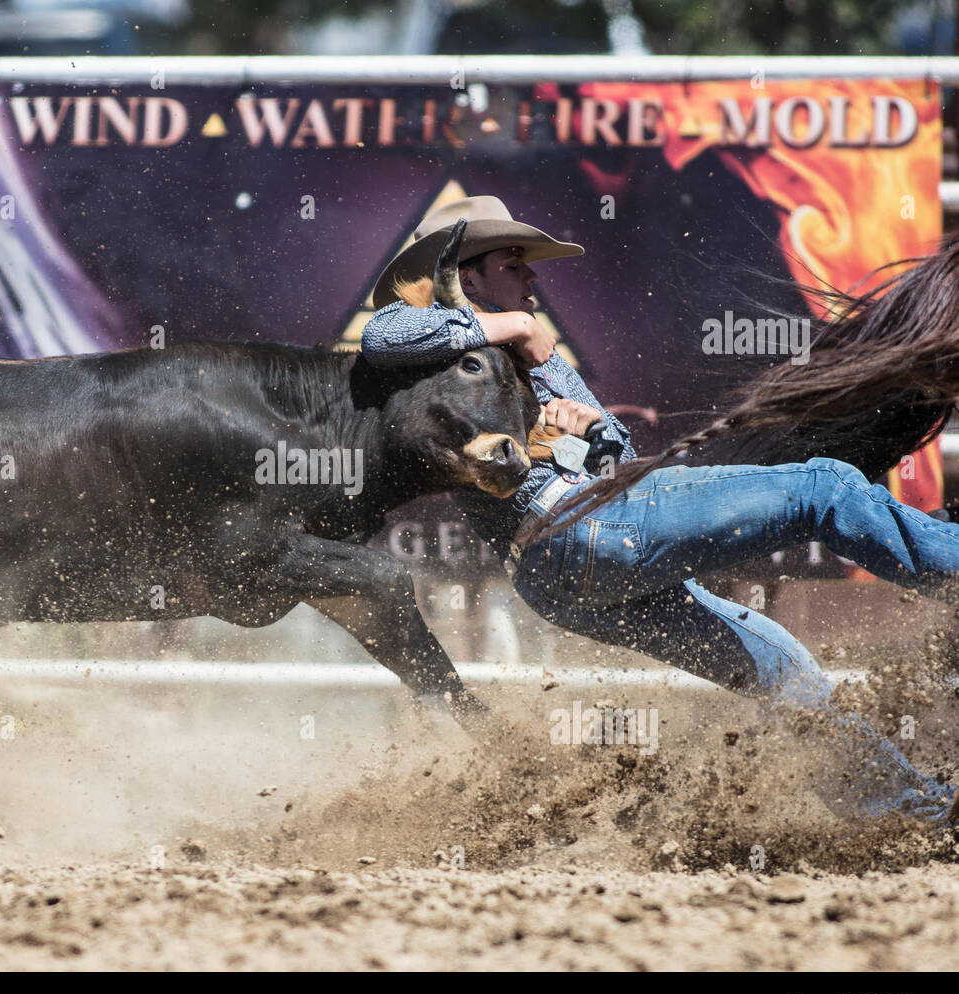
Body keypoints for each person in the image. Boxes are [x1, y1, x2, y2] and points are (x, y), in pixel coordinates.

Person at [362, 194, 959, 824]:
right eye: (514, 263)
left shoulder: (530, 358)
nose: (533, 277)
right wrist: (519, 330)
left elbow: (614, 454)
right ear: (466, 275)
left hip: (556, 571)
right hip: (584, 531)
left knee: (784, 667)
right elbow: (384, 333)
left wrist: (588, 429)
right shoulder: (453, 352)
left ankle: (908, 814)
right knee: (825, 489)